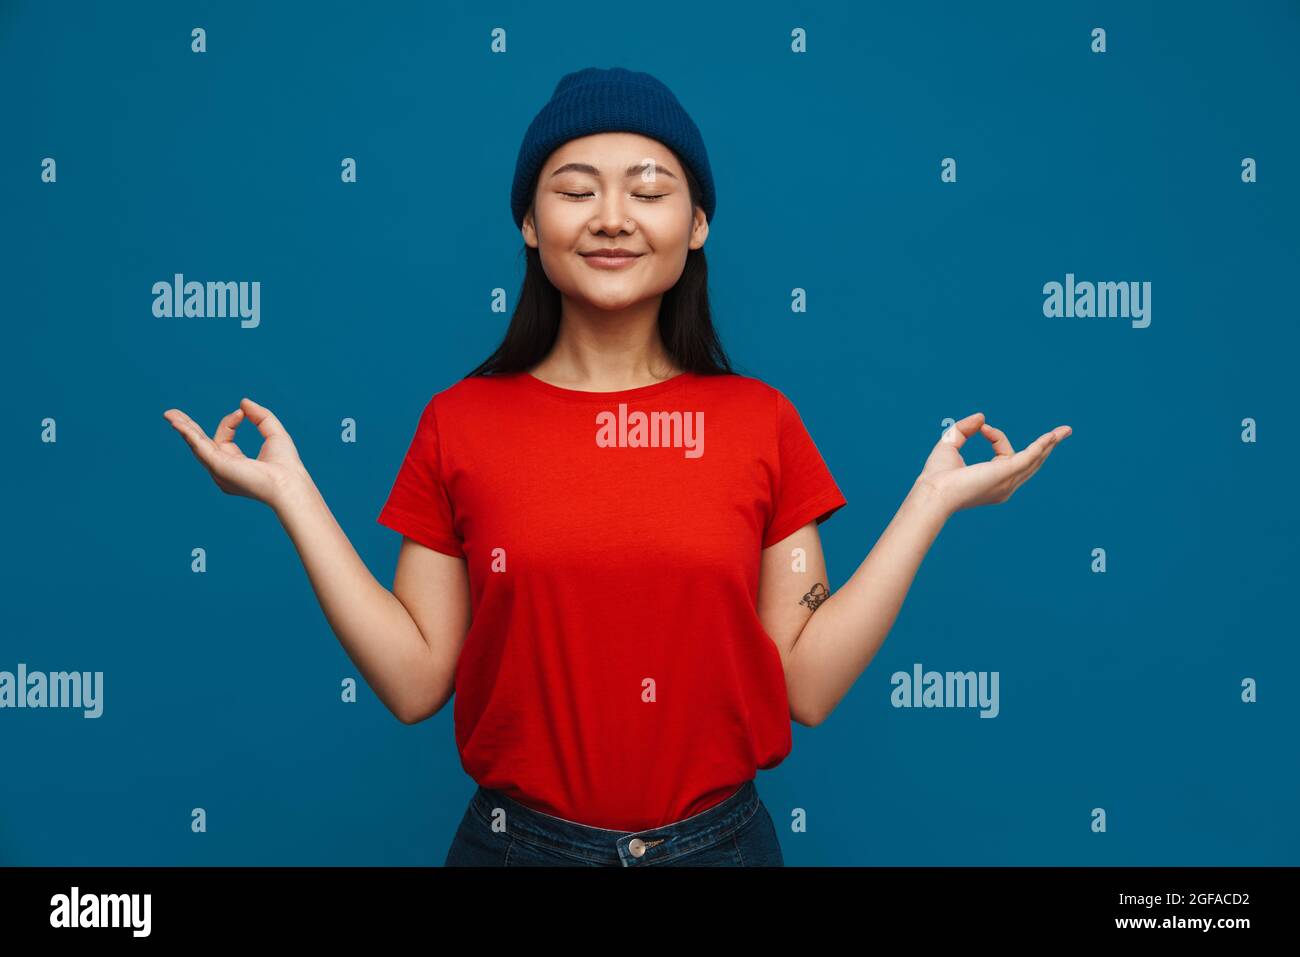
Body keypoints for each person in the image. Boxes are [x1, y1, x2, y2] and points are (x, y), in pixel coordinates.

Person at [162, 66, 1071, 867]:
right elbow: (413, 681)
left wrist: (931, 503)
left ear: (698, 221)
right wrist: (290, 493)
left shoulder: (761, 423)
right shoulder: (461, 422)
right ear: (528, 219)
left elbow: (808, 685)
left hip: (721, 851)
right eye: (574, 189)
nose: (611, 218)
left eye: (648, 188)